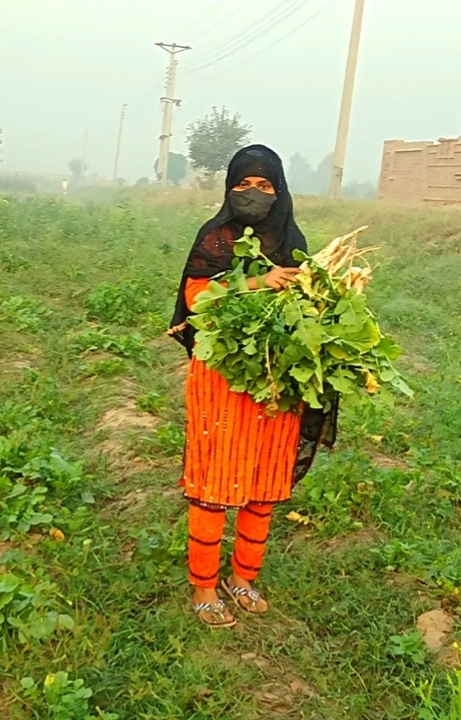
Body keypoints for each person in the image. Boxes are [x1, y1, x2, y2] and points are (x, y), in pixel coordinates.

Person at [167, 144, 338, 629]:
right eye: (244, 185)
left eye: (264, 187)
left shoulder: (292, 239)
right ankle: (203, 585)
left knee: (263, 482)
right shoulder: (216, 237)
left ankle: (242, 577)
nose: (253, 195)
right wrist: (257, 283)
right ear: (229, 188)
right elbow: (197, 299)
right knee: (215, 480)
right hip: (222, 377)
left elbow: (310, 303)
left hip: (275, 381)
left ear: (280, 193)